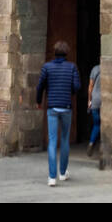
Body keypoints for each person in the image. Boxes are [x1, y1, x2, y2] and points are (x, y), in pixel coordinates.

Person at [36, 40, 81, 186]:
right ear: (66, 52)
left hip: (52, 108)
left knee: (52, 141)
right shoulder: (72, 67)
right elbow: (77, 86)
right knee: (65, 139)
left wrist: (38, 101)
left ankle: (51, 177)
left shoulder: (47, 67)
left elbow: (40, 86)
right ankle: (62, 173)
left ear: (54, 52)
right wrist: (69, 92)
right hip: (66, 107)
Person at [87, 62, 102, 158]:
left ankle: (91, 143)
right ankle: (103, 149)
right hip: (106, 99)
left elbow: (90, 86)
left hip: (95, 100)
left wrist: (89, 101)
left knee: (97, 125)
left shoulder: (95, 69)